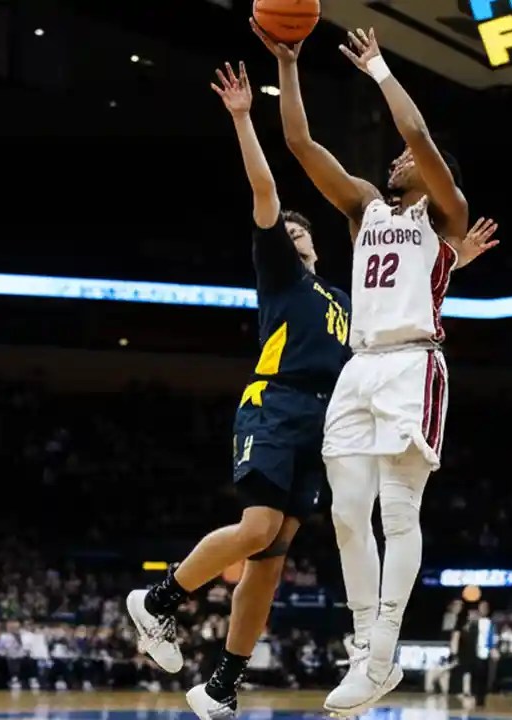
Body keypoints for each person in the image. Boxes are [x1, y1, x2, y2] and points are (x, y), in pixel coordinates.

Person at [254, 21, 500, 716]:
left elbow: (417, 134)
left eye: (404, 160)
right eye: (392, 158)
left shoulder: (447, 214)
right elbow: (301, 144)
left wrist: (380, 70)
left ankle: (385, 646)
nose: (395, 161)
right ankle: (367, 650)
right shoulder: (364, 207)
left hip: (412, 364)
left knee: (398, 510)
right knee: (345, 515)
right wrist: (289, 65)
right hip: (359, 368)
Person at [126, 61, 352, 720]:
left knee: (271, 560)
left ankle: (221, 686)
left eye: (302, 230)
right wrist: (244, 117)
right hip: (275, 404)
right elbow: (265, 188)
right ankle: (158, 600)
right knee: (257, 527)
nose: (293, 231)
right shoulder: (281, 273)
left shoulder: (342, 300)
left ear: (317, 246)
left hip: (321, 424)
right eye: (288, 228)